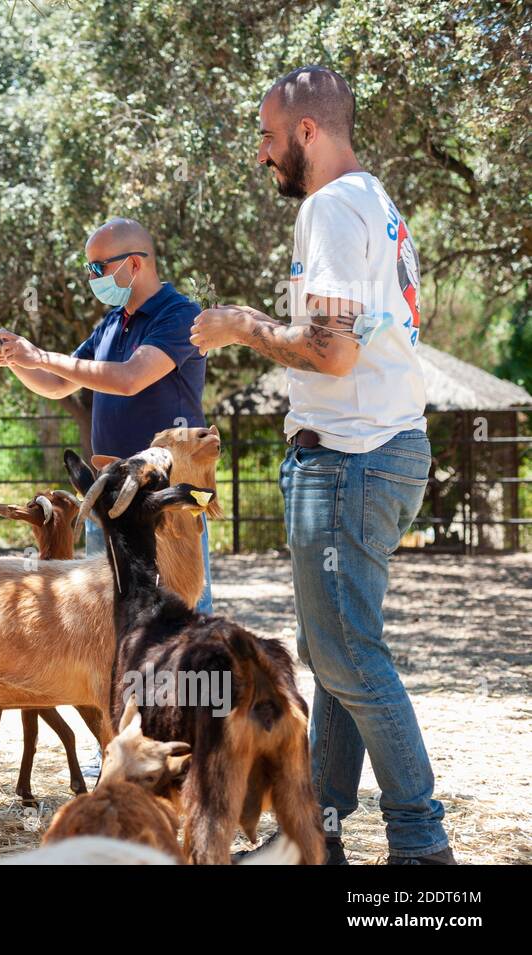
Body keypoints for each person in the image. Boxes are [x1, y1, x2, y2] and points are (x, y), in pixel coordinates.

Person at [189, 66, 452, 865]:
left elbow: (331, 352)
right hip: (383, 450)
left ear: (307, 131)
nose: (262, 156)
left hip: (349, 460)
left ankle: (421, 844)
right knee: (336, 655)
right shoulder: (376, 201)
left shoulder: (331, 207)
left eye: (269, 138)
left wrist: (239, 324)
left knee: (348, 659)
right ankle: (319, 831)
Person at [0, 218, 212, 613]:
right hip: (107, 489)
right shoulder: (110, 323)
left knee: (181, 612)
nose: (91, 277)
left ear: (135, 265)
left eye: (97, 268)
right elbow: (56, 385)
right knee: (111, 613)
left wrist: (39, 355)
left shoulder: (180, 315)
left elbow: (129, 378)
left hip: (168, 492)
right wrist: (15, 360)